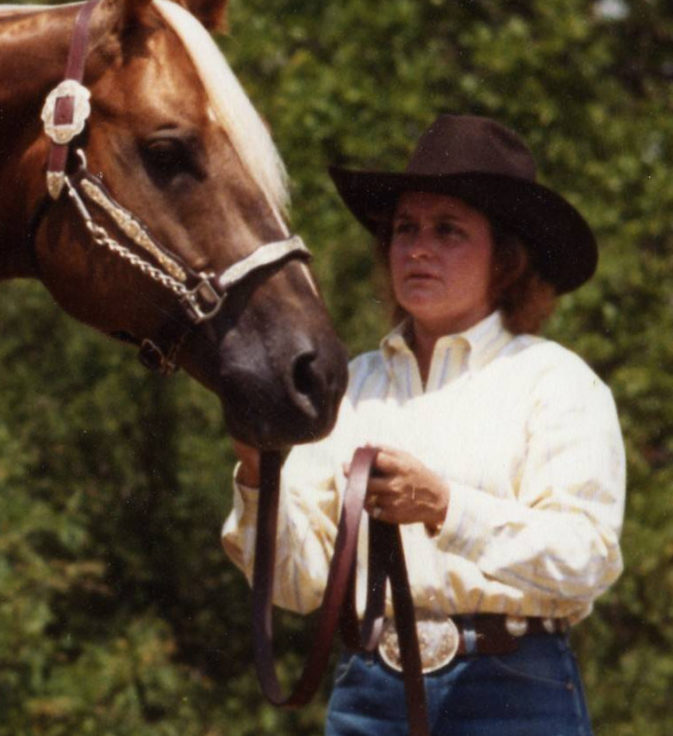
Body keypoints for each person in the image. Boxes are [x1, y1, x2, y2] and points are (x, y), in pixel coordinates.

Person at [222, 114, 625, 736]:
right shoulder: (350, 387)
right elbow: (297, 586)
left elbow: (587, 558)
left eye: (449, 231)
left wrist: (446, 507)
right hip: (369, 691)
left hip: (513, 690)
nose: (417, 248)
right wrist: (257, 467)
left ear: (507, 259)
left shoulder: (556, 382)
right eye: (404, 228)